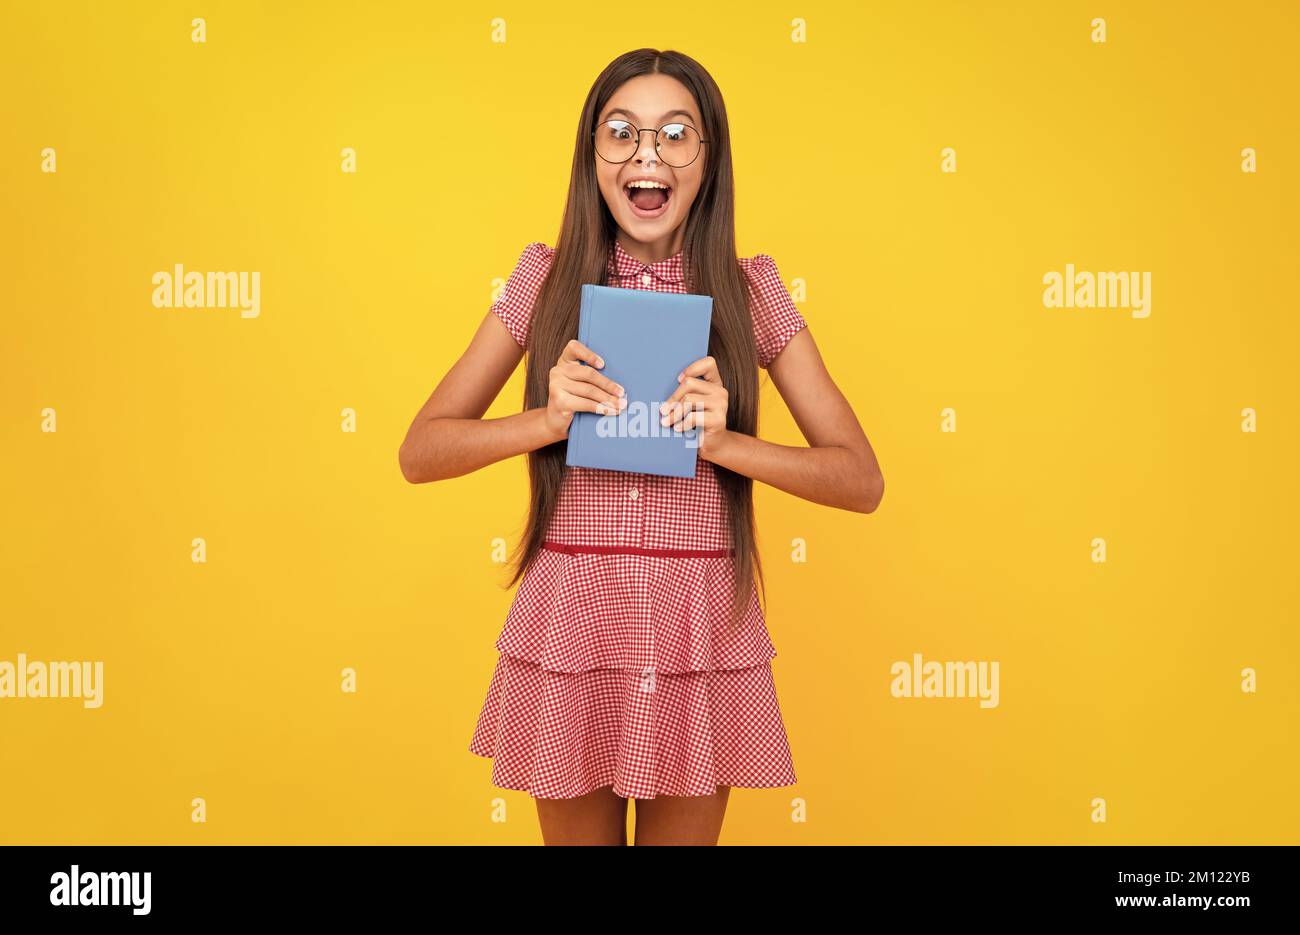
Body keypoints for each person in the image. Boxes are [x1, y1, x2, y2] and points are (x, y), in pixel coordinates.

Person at [399, 48, 884, 845]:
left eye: (674, 135)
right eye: (621, 133)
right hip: (572, 622)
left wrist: (724, 441)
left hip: (699, 628)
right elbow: (420, 451)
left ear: (709, 158)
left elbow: (859, 478)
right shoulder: (544, 280)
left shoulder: (751, 289)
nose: (646, 155)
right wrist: (548, 421)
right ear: (592, 157)